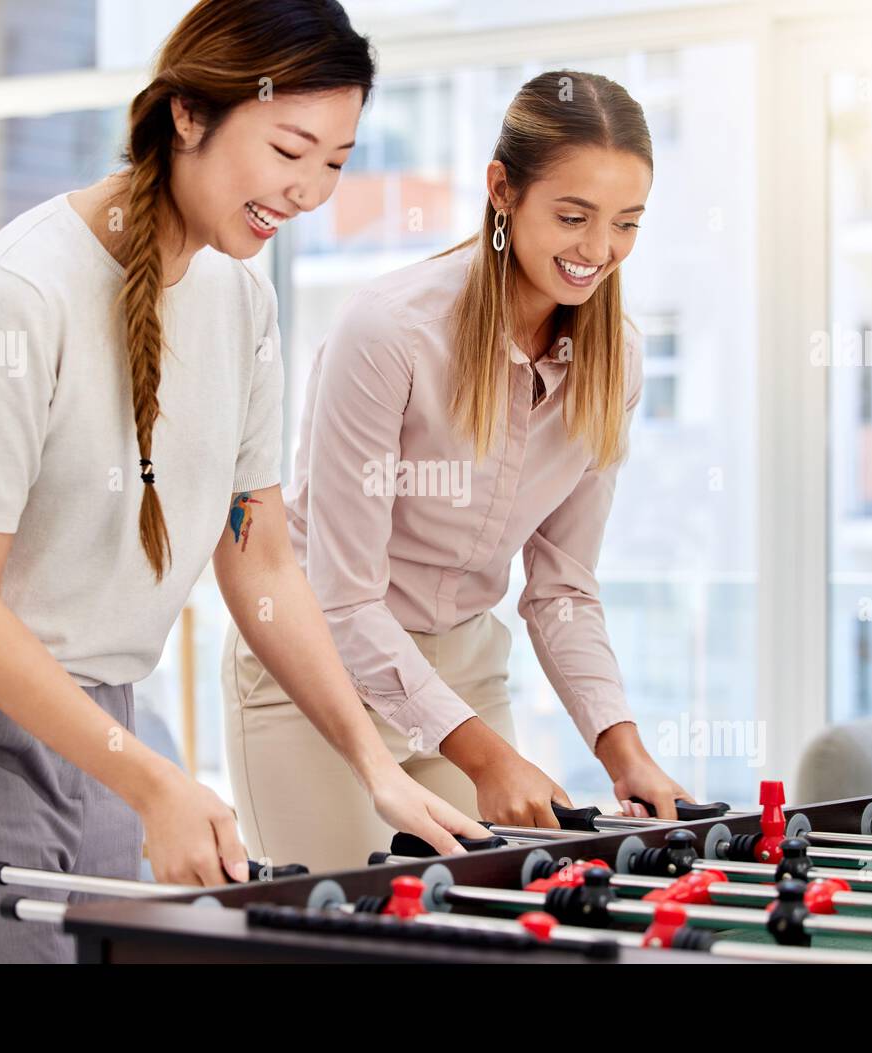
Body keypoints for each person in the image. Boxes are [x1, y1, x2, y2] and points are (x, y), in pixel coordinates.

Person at [0, 0, 483, 965]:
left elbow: (258, 554)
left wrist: (371, 759)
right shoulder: (18, 293)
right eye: (290, 148)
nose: (308, 189)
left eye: (336, 161)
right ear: (189, 115)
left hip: (101, 709)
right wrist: (151, 784)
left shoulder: (241, 298)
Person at [223, 70, 696, 873]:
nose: (598, 251)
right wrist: (486, 759)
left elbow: (562, 588)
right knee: (351, 936)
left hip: (464, 673)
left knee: (482, 926)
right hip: (317, 680)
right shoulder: (390, 334)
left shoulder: (618, 365)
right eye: (573, 217)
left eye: (626, 223)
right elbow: (344, 597)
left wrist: (624, 751)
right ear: (502, 190)